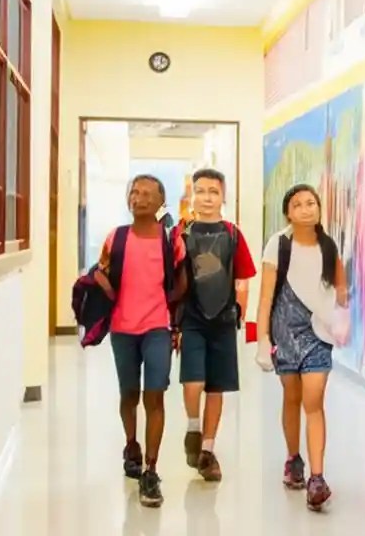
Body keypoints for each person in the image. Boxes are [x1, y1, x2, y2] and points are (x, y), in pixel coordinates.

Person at [94, 174, 187, 508]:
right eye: (134, 191)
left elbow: (182, 282)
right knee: (128, 394)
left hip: (157, 328)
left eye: (148, 193)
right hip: (122, 328)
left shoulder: (170, 241)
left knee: (155, 396)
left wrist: (168, 313)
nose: (139, 197)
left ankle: (151, 469)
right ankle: (131, 443)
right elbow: (101, 272)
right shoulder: (115, 238)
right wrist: (107, 291)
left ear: (161, 201)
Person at [255, 184, 349, 512]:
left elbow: (341, 288)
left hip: (318, 335)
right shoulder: (278, 245)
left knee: (314, 401)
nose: (307, 208)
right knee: (292, 397)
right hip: (285, 331)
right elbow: (266, 296)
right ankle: (293, 459)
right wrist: (262, 338)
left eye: (312, 203)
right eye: (298, 204)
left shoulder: (328, 246)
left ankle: (318, 478)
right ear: (288, 213)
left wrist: (341, 319)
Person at [176, 168, 257, 482]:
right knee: (193, 381)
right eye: (201, 191)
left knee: (216, 387)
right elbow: (174, 276)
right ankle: (193, 429)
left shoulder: (233, 234)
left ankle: (208, 451)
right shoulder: (182, 234)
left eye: (213, 191)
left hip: (223, 320)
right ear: (192, 196)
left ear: (223, 196)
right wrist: (176, 323)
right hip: (192, 319)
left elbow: (243, 278)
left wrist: (240, 313)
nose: (207, 197)